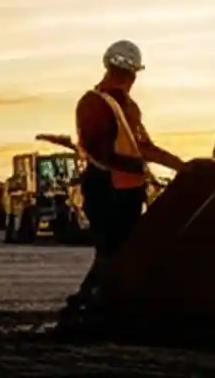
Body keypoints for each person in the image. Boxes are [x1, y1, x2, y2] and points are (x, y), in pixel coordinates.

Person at [56, 39, 185, 330]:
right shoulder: (95, 104)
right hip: (107, 188)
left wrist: (181, 165)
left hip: (125, 189)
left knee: (119, 252)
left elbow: (143, 146)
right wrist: (137, 166)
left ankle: (98, 307)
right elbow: (99, 151)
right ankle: (84, 307)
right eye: (129, 74)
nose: (131, 80)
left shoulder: (126, 106)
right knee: (112, 251)